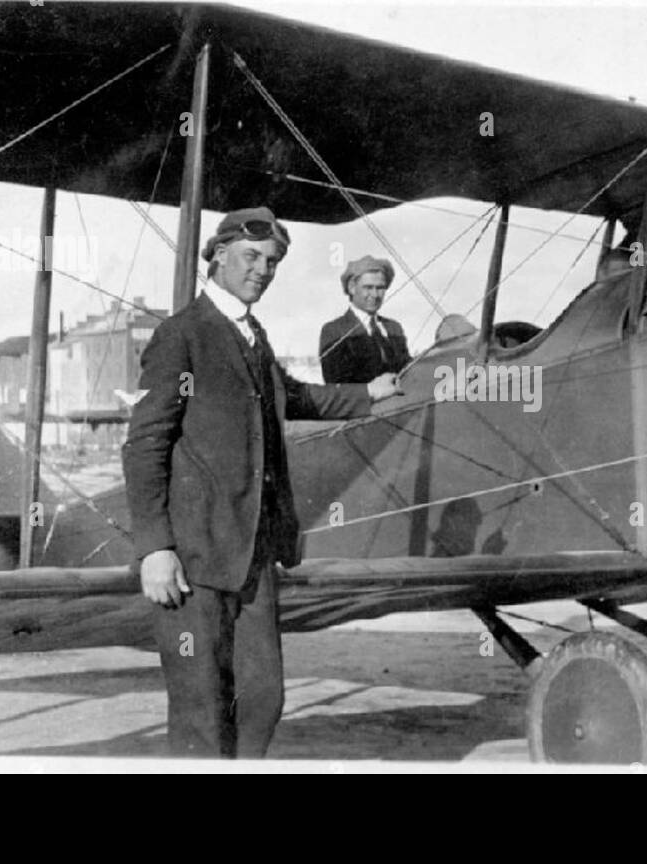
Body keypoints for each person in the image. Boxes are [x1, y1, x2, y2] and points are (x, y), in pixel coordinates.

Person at [122, 206, 400, 758]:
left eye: (271, 262)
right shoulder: (183, 335)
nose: (262, 271)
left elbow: (292, 396)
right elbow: (145, 443)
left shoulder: (253, 335)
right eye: (251, 257)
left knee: (262, 697)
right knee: (201, 710)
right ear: (219, 255)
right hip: (194, 561)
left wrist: (369, 393)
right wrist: (155, 547)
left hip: (253, 554)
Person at [318, 255, 411, 383]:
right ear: (352, 288)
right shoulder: (334, 331)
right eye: (368, 287)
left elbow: (408, 372)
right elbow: (337, 389)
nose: (375, 295)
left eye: (380, 288)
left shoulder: (394, 328)